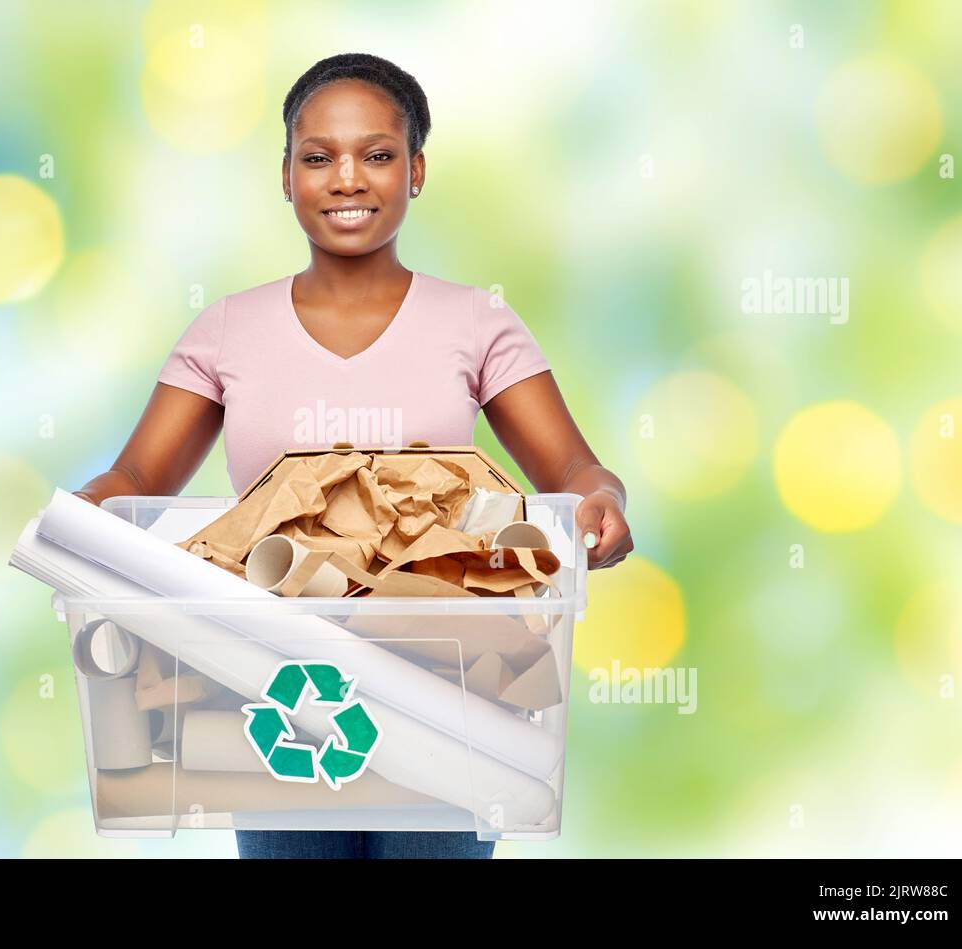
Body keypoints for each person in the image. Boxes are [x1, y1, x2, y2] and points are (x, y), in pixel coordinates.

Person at [74, 52, 633, 859]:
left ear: (416, 170)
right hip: (275, 699)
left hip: (449, 699)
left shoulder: (475, 323)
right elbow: (137, 482)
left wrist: (601, 503)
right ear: (286, 174)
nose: (347, 179)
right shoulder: (228, 330)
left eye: (376, 155)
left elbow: (574, 472)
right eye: (318, 157)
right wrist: (90, 512)